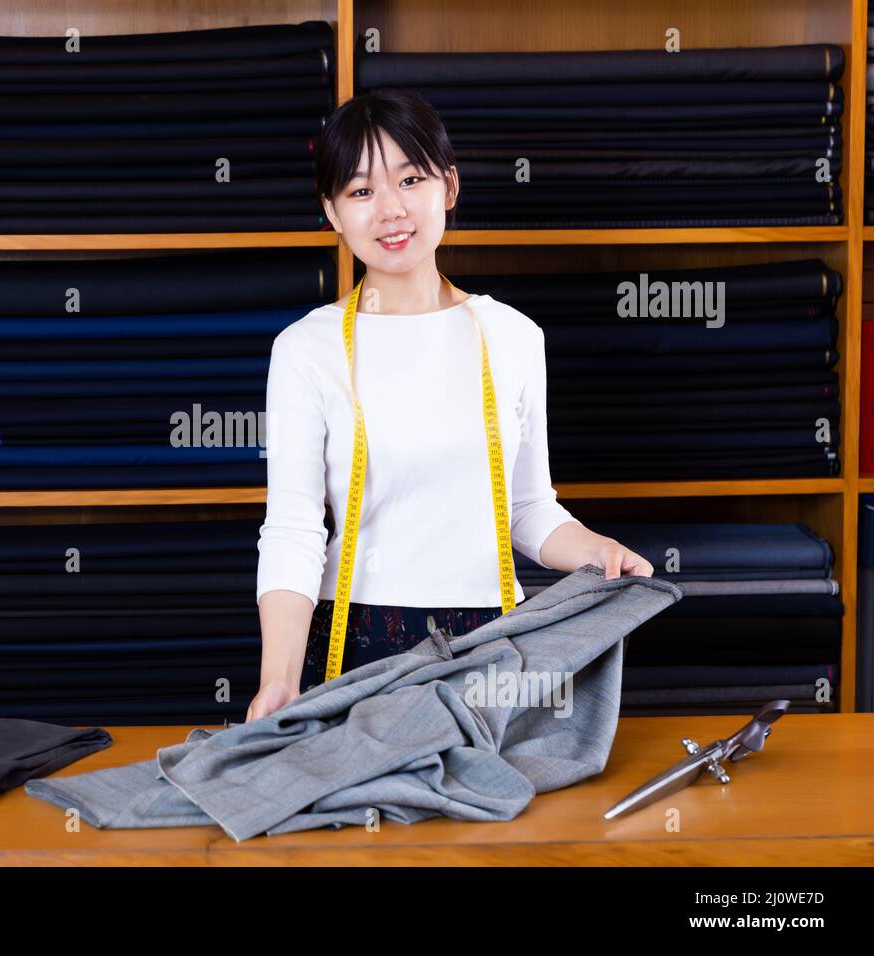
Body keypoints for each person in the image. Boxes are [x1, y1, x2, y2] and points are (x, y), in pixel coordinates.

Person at [247, 90, 653, 722]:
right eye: (361, 190)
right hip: (356, 640)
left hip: (492, 634)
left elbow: (527, 509)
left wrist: (597, 550)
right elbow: (294, 530)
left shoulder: (513, 336)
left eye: (411, 179)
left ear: (450, 186)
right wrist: (278, 678)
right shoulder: (306, 349)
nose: (391, 209)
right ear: (331, 212)